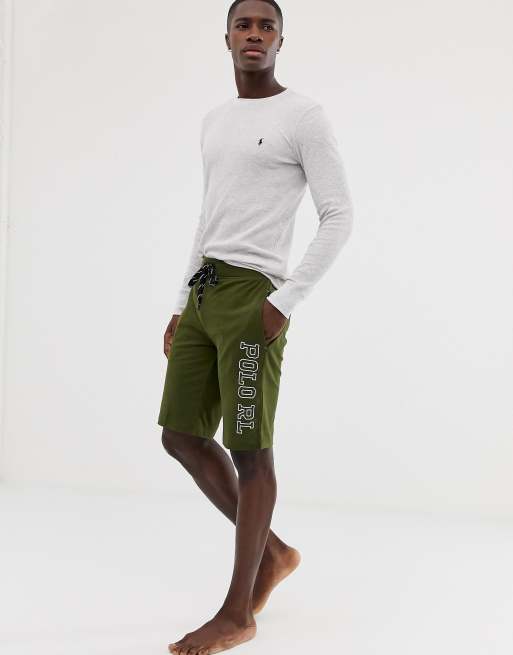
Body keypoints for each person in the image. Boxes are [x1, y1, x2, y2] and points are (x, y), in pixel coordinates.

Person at [159, 1, 354, 653]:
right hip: (205, 291)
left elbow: (338, 213)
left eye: (266, 26)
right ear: (226, 39)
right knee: (181, 436)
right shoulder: (215, 121)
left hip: (253, 298)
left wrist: (284, 300)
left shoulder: (303, 116)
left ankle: (237, 611)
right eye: (243, 24)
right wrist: (181, 301)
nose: (254, 33)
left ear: (279, 41)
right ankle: (272, 553)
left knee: (250, 450)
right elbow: (208, 214)